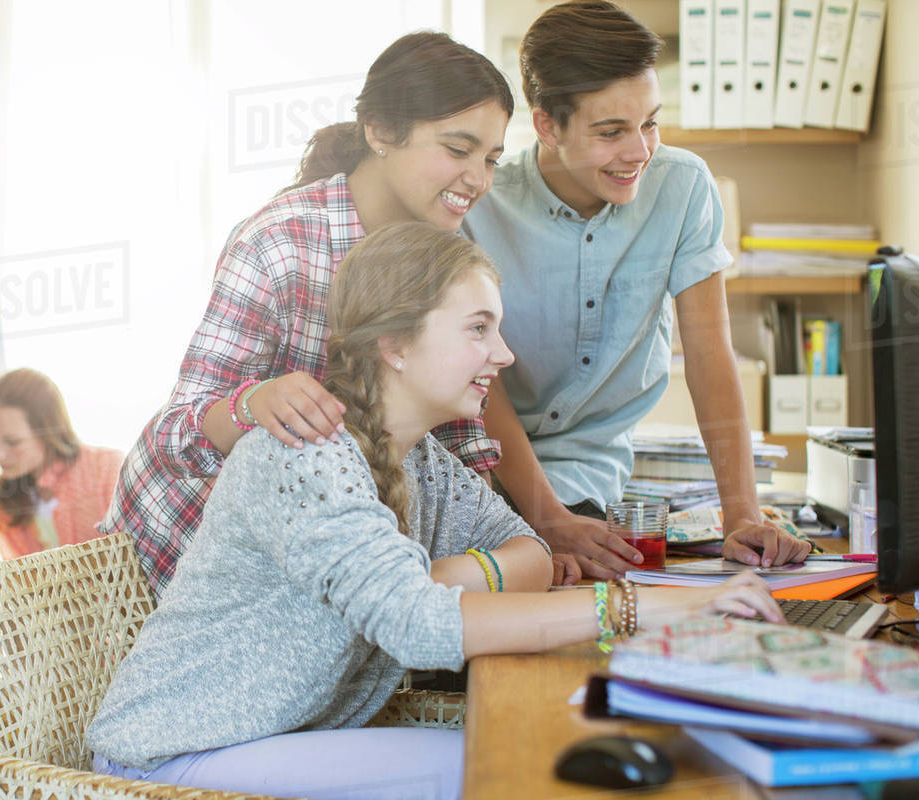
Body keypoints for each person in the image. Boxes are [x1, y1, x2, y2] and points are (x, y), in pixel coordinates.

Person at [85, 223, 782, 800]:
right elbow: (421, 629)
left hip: (275, 740)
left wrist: (435, 577)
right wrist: (636, 609)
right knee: (493, 773)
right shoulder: (306, 456)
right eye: (478, 328)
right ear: (395, 343)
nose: (503, 354)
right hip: (172, 759)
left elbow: (531, 555)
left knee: (511, 751)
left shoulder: (422, 463)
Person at [103, 30, 522, 596]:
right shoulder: (279, 244)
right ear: (380, 132)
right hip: (183, 553)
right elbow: (179, 432)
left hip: (308, 563)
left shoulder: (446, 249)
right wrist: (254, 402)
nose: (478, 179)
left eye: (491, 158)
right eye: (457, 149)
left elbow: (457, 440)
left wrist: (508, 540)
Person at [460, 0, 812, 580]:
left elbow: (708, 352)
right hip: (474, 459)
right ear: (547, 123)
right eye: (611, 132)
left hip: (585, 476)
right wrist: (542, 514)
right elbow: (476, 374)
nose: (640, 151)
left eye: (649, 122)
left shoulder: (683, 186)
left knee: (593, 589)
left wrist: (741, 514)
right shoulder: (483, 200)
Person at [0, 368, 125, 558]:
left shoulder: (107, 469)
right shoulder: (3, 501)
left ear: (48, 432)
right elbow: (22, 582)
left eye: (12, 442)